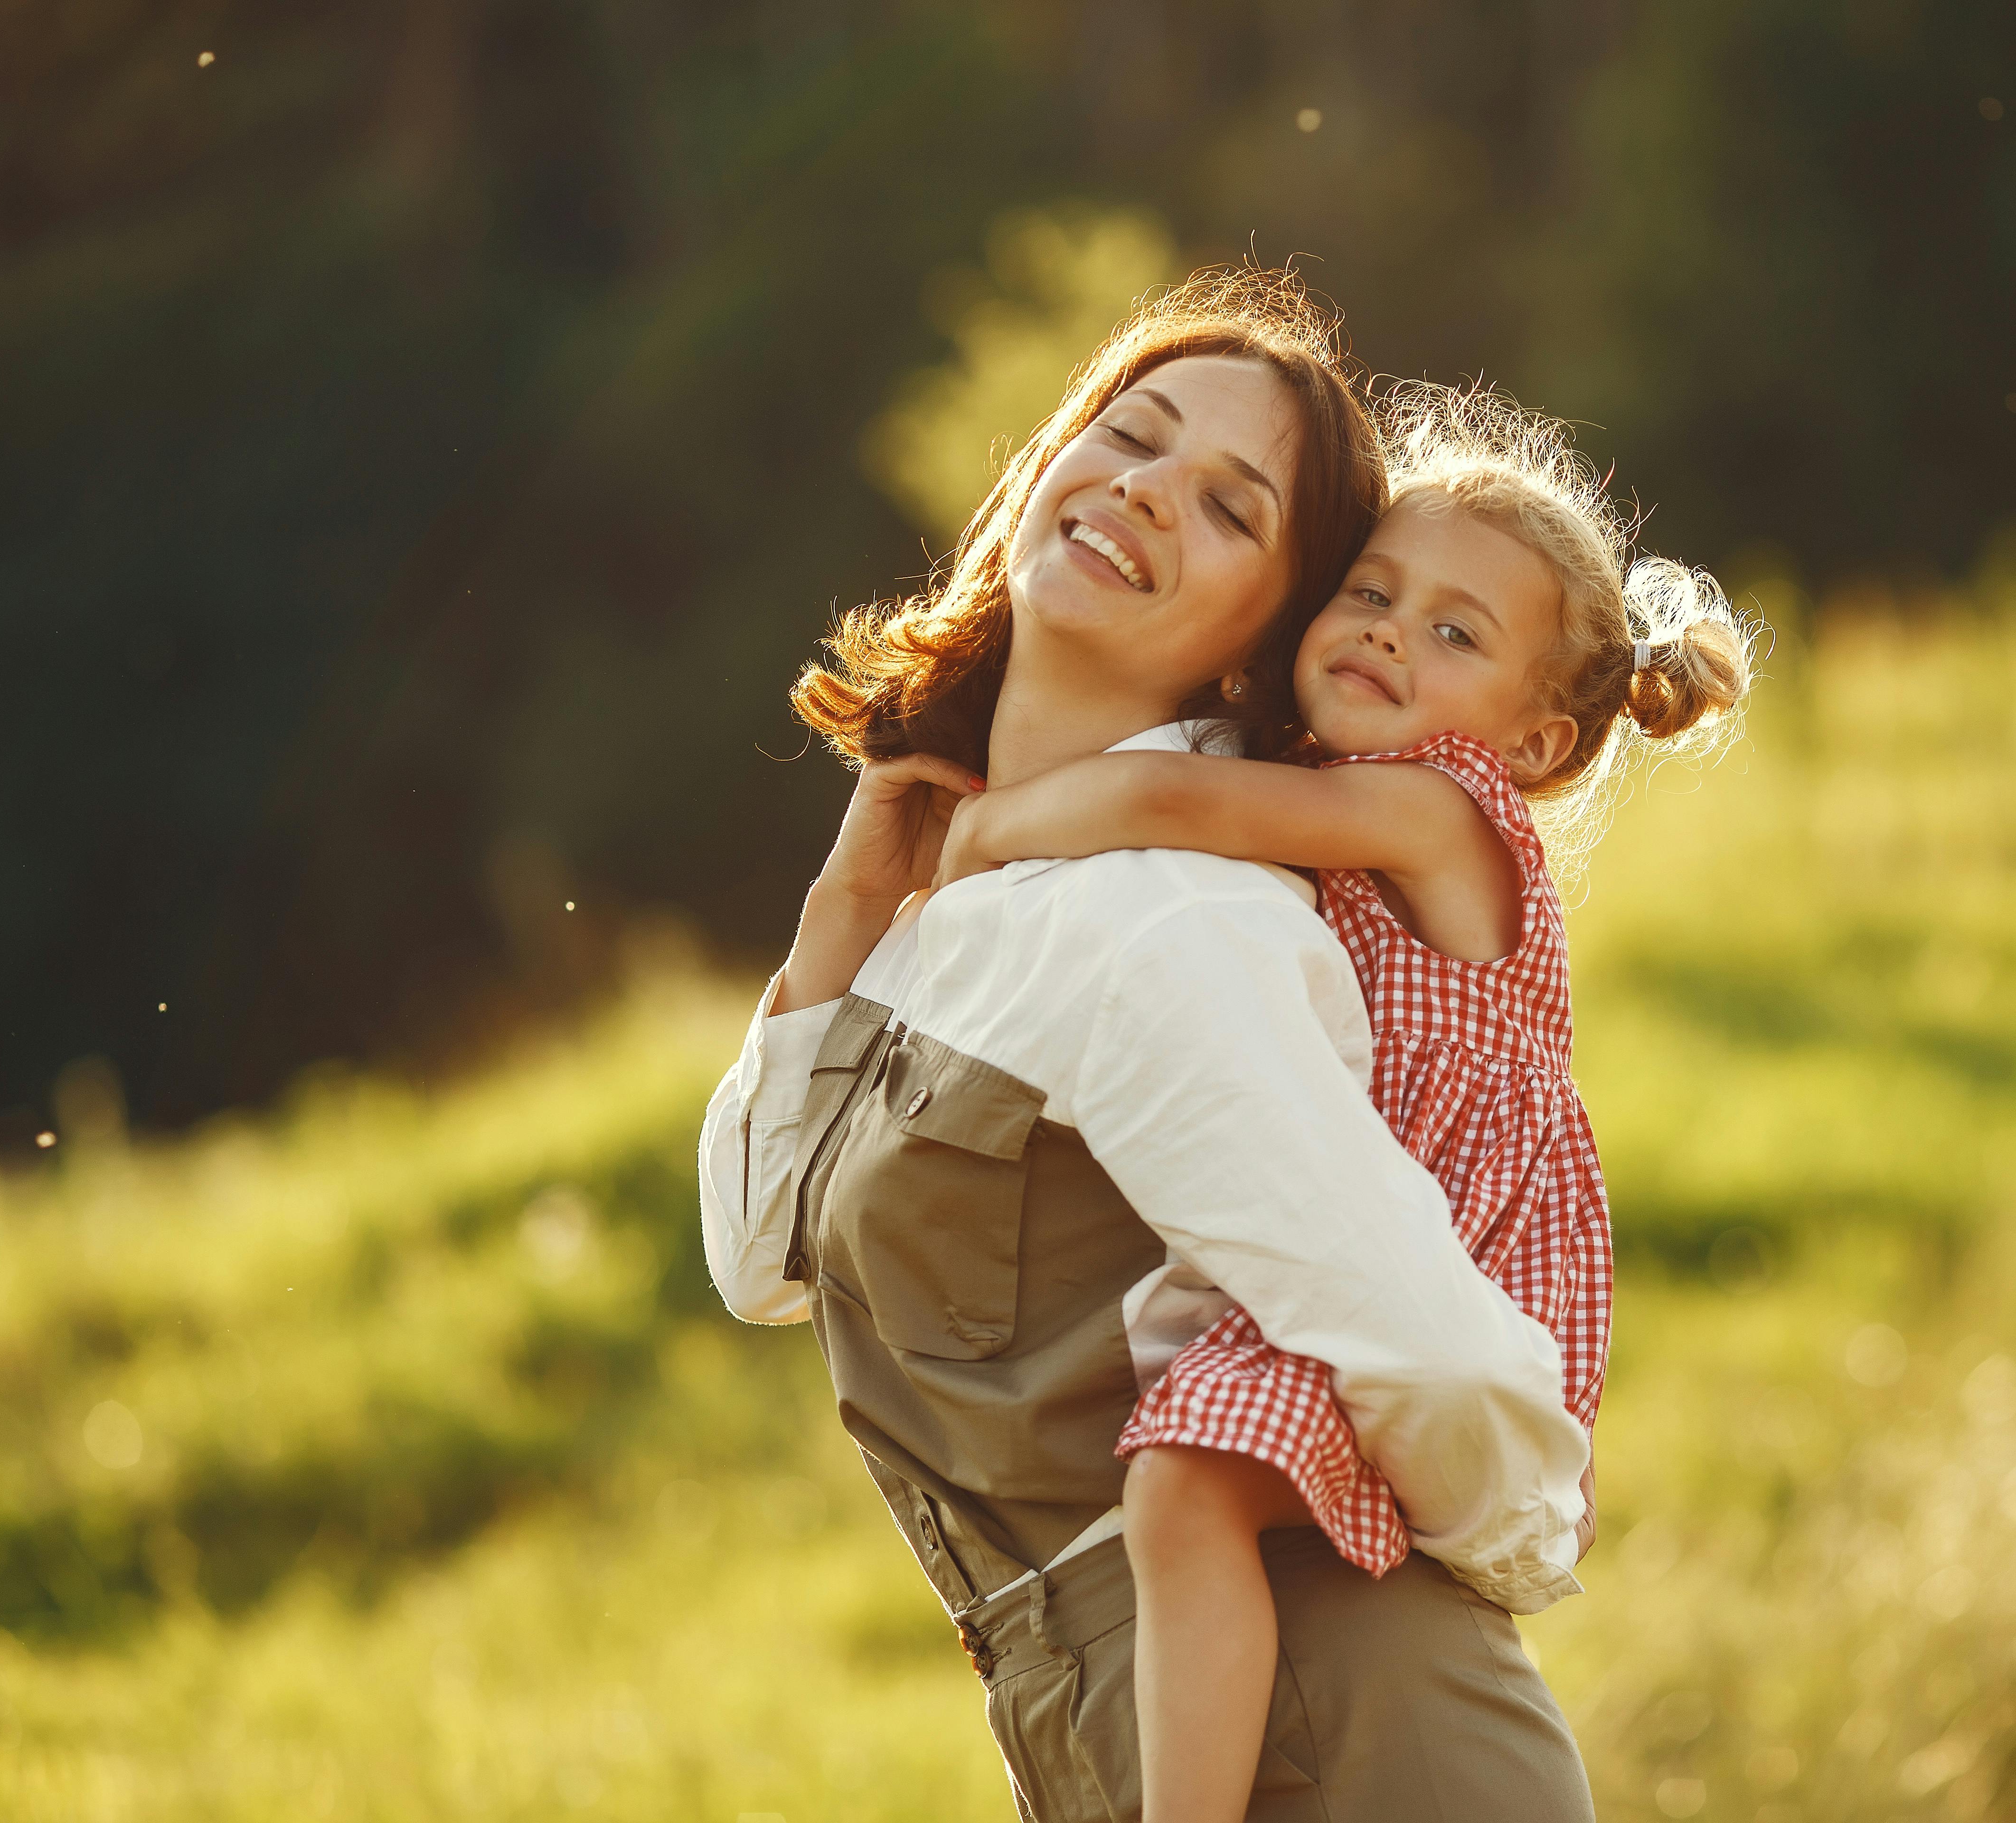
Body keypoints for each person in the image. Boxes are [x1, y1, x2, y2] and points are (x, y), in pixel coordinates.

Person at [698, 272, 1597, 1821]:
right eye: (1132, 434)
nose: (1148, 491)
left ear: (1271, 640)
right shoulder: (952, 904)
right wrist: (845, 915)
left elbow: (1433, 1345)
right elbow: (758, 1255)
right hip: (1108, 1738)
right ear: (1048, 460)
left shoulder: (1179, 926)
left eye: (1232, 509)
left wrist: (1517, 1549)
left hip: (1353, 1749)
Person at [934, 386, 1755, 1823]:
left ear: (1535, 747)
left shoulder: (1436, 808)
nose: (1386, 630)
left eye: (1455, 634)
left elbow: (1190, 813)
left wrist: (996, 826)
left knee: (1188, 1487)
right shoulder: (1347, 797)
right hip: (1380, 1244)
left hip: (1455, 1249)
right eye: (1371, 591)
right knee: (1192, 1489)